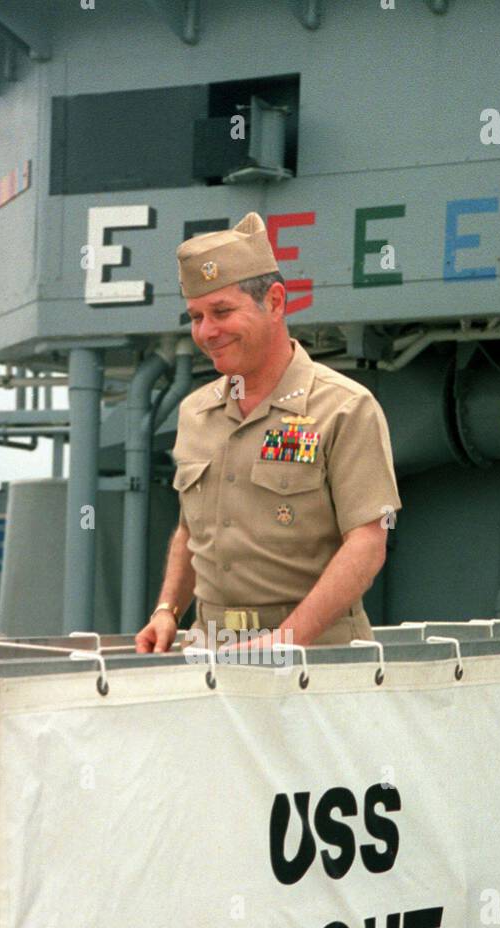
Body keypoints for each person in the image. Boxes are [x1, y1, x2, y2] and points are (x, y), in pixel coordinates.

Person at [135, 211, 401, 656]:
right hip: (211, 652)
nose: (207, 332)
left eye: (222, 312)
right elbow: (191, 530)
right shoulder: (195, 412)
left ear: (275, 302)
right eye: (196, 317)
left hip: (318, 656)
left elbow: (368, 543)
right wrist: (167, 608)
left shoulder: (344, 408)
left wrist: (286, 641)